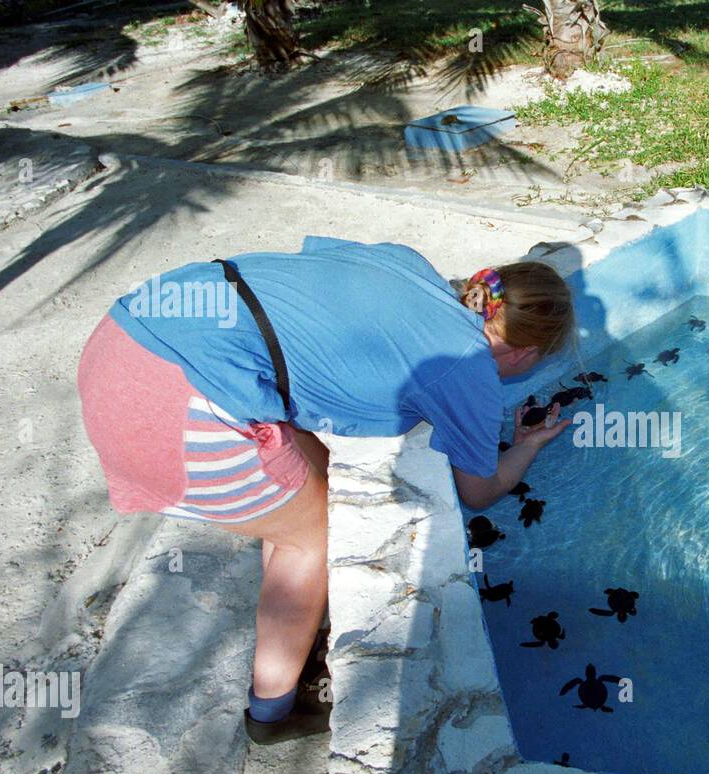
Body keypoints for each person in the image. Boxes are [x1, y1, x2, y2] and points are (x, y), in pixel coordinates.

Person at [76, 237, 575, 743]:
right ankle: (272, 713)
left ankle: (296, 623)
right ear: (526, 351)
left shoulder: (407, 264)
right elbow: (480, 492)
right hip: (168, 407)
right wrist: (529, 444)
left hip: (128, 334)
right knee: (311, 540)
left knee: (307, 492)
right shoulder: (467, 364)